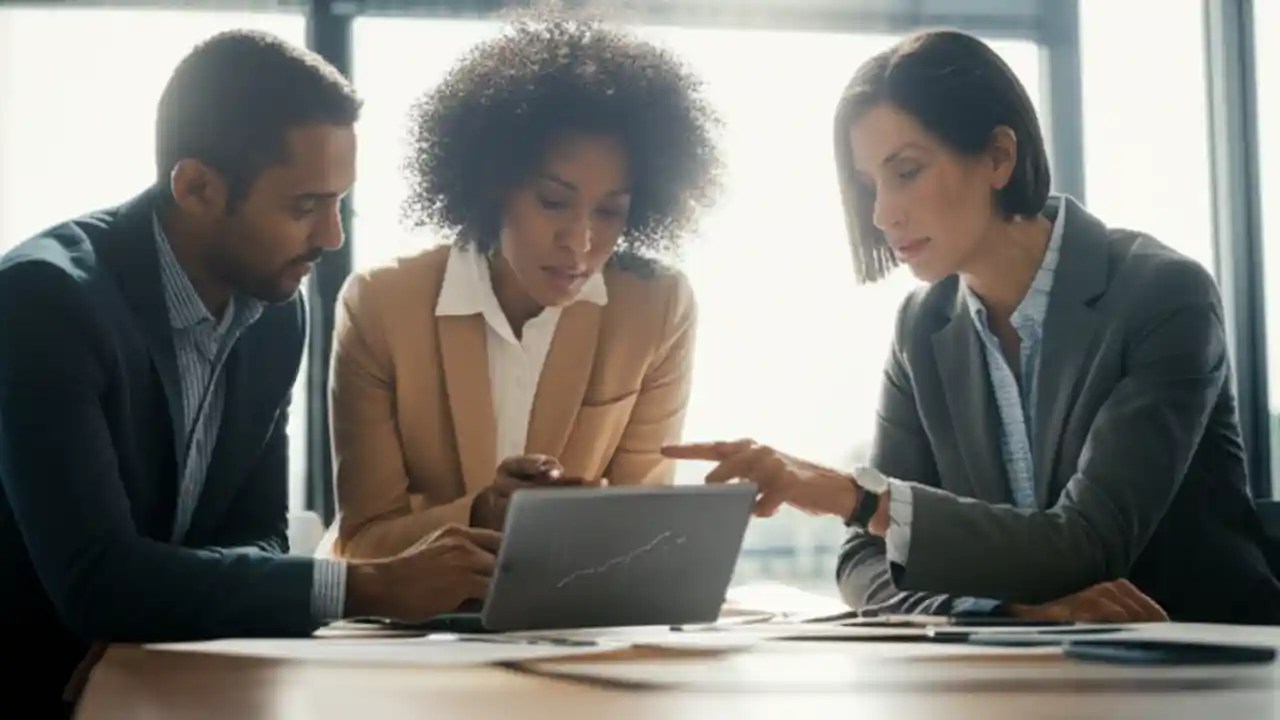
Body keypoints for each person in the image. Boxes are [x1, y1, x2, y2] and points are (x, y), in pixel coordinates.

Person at [664, 29, 1280, 624]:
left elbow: (1091, 543)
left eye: (905, 172)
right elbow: (864, 563)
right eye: (868, 185)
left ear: (998, 156)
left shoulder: (1161, 296)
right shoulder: (923, 329)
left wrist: (853, 496)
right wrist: (1008, 610)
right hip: (1031, 677)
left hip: (1207, 669)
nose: (881, 213)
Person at [0, 31, 500, 713]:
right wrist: (369, 586)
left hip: (164, 678)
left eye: (340, 204)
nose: (332, 238)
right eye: (305, 206)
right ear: (198, 187)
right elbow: (97, 582)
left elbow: (257, 532)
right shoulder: (43, 303)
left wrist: (167, 607)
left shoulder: (273, 310)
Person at [326, 15, 721, 559]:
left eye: (610, 212)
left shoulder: (656, 311)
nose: (580, 242)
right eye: (553, 202)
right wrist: (485, 514)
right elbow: (363, 543)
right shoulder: (380, 307)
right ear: (494, 182)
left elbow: (644, 537)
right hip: (412, 628)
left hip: (575, 619)